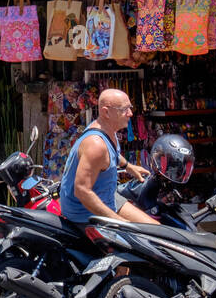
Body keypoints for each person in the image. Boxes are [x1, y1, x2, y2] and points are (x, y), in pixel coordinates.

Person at [59, 88, 156, 224]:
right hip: (84, 212)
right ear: (106, 112)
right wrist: (118, 221)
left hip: (106, 196)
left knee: (156, 229)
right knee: (146, 239)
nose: (130, 114)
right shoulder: (96, 145)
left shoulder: (109, 130)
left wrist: (128, 166)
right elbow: (82, 191)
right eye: (124, 109)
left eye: (130, 107)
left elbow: (112, 154)